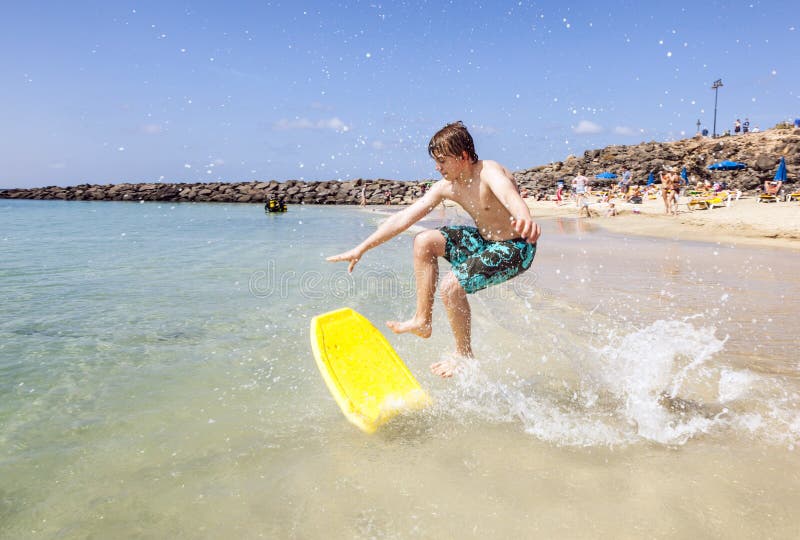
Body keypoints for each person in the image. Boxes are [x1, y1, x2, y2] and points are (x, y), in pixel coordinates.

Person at [327, 121, 540, 378]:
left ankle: (463, 355)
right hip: (486, 241)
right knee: (424, 241)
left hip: (517, 247)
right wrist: (362, 248)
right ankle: (422, 320)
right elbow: (403, 218)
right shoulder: (447, 187)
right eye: (435, 162)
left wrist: (524, 218)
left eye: (442, 161)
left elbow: (510, 197)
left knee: (451, 287)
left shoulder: (489, 172)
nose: (437, 168)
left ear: (462, 156)